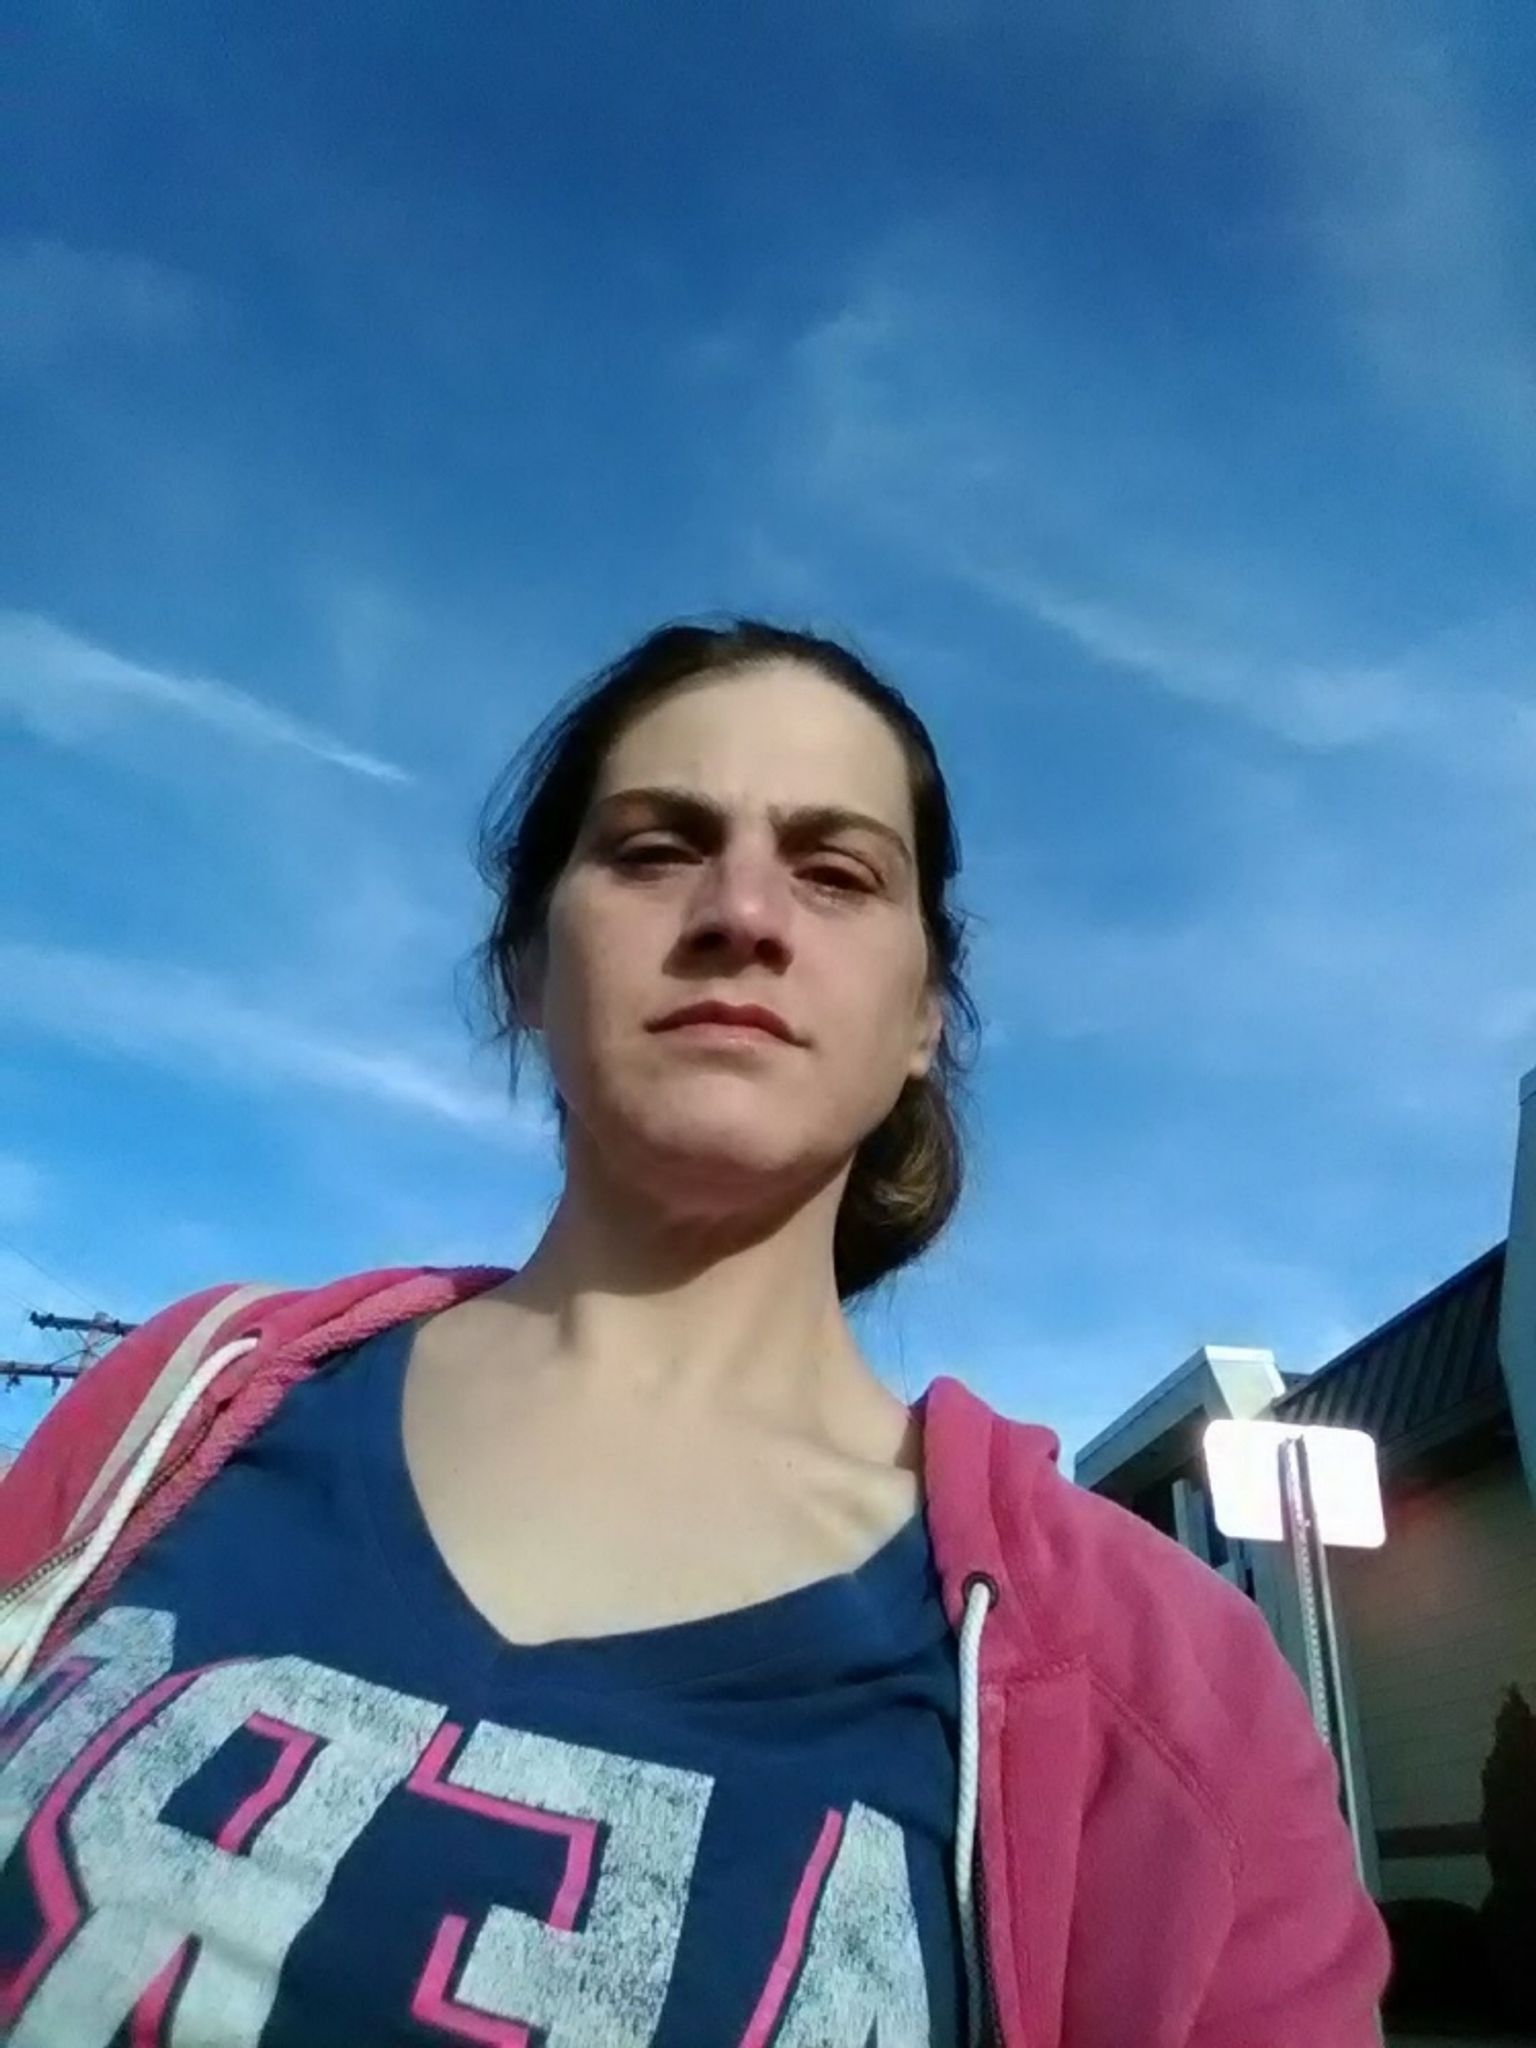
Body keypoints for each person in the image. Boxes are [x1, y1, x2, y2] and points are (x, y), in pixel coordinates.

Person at [0, 619, 1389, 2046]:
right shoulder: (183, 1404)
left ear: (923, 1015)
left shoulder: (1169, 1683)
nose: (743, 912)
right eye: (657, 849)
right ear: (527, 966)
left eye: (837, 872)